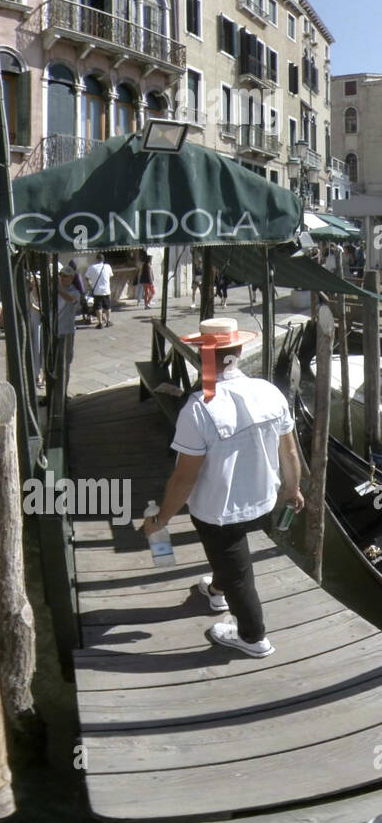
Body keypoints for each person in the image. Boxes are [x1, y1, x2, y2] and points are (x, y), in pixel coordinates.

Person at [134, 316, 302, 659]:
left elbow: (184, 478)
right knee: (230, 559)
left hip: (218, 512)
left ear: (202, 355)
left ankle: (253, 638)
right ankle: (215, 591)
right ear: (238, 350)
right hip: (264, 499)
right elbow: (290, 451)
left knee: (238, 572)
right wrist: (293, 489)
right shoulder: (269, 391)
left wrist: (162, 519)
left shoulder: (198, 408)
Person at [85, 251, 116, 327]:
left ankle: (100, 323)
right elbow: (110, 276)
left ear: (96, 259)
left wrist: (90, 284)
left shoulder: (91, 267)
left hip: (96, 290)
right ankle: (108, 321)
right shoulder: (107, 266)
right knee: (107, 306)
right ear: (103, 260)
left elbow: (86, 277)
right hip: (106, 290)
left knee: (98, 307)